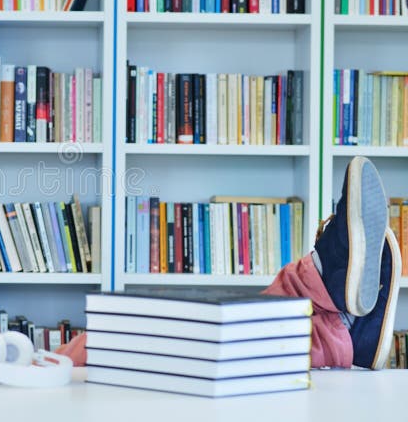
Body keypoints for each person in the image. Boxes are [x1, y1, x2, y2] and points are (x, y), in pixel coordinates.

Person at [56, 156, 402, 370]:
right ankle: (335, 306)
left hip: (54, 366)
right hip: (57, 371)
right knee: (146, 336)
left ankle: (341, 321)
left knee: (137, 335)